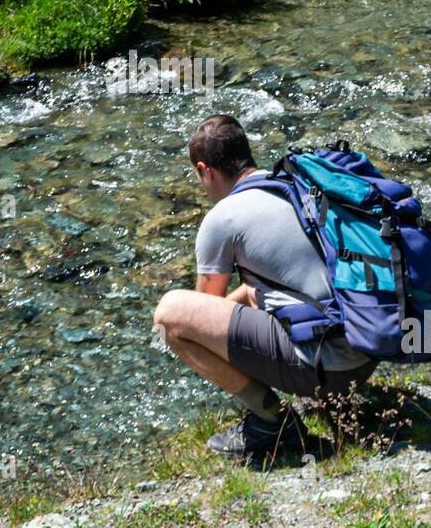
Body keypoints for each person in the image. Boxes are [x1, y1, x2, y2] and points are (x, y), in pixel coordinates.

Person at [152, 114, 375, 461]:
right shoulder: (297, 185)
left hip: (325, 370)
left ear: (205, 169)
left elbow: (203, 309)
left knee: (170, 316)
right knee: (258, 294)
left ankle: (271, 420)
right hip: (366, 352)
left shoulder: (223, 217)